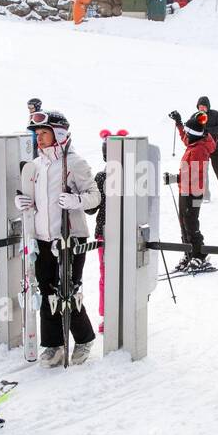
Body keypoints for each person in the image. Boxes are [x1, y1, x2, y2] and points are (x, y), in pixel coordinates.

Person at [16, 110, 101, 366]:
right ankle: (53, 346)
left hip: (70, 238)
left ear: (59, 134)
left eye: (44, 133)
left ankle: (84, 338)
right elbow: (33, 200)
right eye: (37, 134)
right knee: (47, 292)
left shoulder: (74, 163)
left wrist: (76, 200)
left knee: (68, 291)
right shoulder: (36, 165)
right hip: (42, 238)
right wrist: (22, 202)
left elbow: (95, 197)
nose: (39, 138)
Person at [167, 108, 216, 272]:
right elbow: (185, 137)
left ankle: (199, 255)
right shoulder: (194, 142)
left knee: (191, 222)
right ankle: (189, 252)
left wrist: (175, 178)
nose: (186, 135)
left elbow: (193, 175)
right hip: (185, 190)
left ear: (194, 134)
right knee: (183, 222)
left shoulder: (199, 150)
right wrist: (179, 123)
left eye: (188, 133)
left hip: (194, 192)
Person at [90, 127, 127, 334]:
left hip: (106, 232)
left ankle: (109, 313)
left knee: (107, 274)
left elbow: (90, 209)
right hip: (120, 231)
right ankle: (115, 312)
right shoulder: (129, 176)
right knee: (121, 272)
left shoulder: (102, 177)